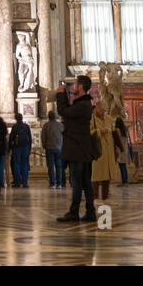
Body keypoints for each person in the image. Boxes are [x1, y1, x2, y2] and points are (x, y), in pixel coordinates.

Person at [56, 75, 96, 223]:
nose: (73, 86)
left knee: (78, 182)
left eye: (76, 84)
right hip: (81, 148)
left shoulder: (83, 105)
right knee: (85, 182)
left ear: (81, 87)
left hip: (78, 149)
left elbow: (63, 112)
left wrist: (60, 94)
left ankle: (74, 212)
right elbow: (68, 112)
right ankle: (90, 212)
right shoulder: (83, 103)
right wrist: (65, 95)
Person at [90, 101, 118, 202]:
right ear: (97, 108)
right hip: (97, 151)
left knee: (107, 175)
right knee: (96, 175)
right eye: (102, 110)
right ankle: (95, 197)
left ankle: (105, 198)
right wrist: (99, 131)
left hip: (108, 150)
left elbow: (113, 132)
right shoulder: (90, 118)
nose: (103, 112)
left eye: (105, 111)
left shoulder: (109, 119)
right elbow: (87, 133)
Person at [9, 112, 32, 187]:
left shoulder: (15, 127)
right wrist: (29, 148)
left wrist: (10, 148)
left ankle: (17, 182)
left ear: (16, 119)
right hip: (25, 147)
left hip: (17, 147)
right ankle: (25, 182)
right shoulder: (26, 126)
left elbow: (11, 138)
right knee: (25, 164)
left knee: (17, 164)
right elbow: (30, 138)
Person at [42, 111, 64, 189]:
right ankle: (60, 183)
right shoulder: (60, 125)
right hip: (58, 148)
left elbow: (43, 137)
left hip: (49, 148)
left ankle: (52, 183)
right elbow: (64, 136)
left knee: (51, 166)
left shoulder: (46, 126)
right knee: (59, 166)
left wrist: (44, 146)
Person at [115, 116, 131, 185]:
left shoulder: (117, 130)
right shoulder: (125, 129)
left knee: (121, 166)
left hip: (120, 149)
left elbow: (117, 140)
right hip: (125, 149)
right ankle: (125, 181)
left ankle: (124, 181)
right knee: (123, 166)